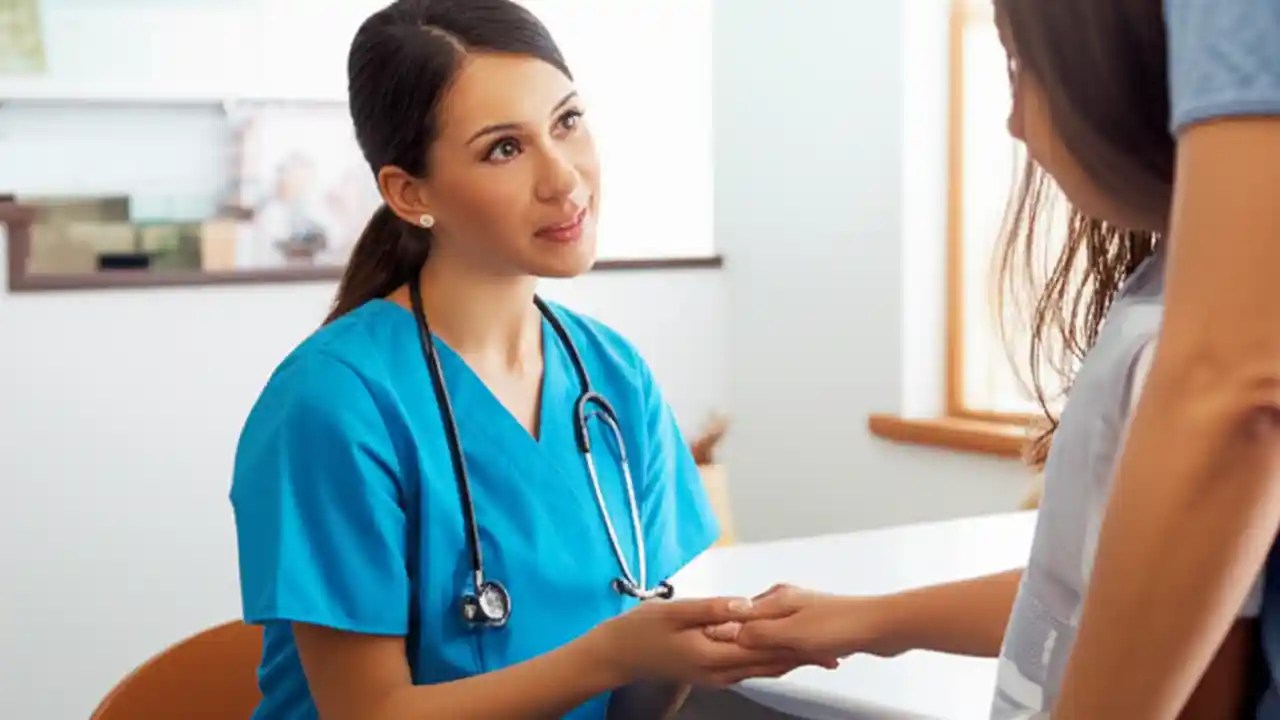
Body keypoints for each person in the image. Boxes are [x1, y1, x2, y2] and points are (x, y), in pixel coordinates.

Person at [228, 1, 832, 718]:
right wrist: (616, 653)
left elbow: (632, 703)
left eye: (567, 122)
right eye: (504, 149)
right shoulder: (334, 404)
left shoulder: (612, 379)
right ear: (409, 193)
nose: (564, 180)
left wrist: (693, 650)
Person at [710, 0, 1275, 716]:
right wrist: (870, 620)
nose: (1012, 122)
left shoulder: (1186, 341)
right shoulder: (1166, 299)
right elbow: (1100, 592)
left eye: (1018, 69)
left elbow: (1201, 642)